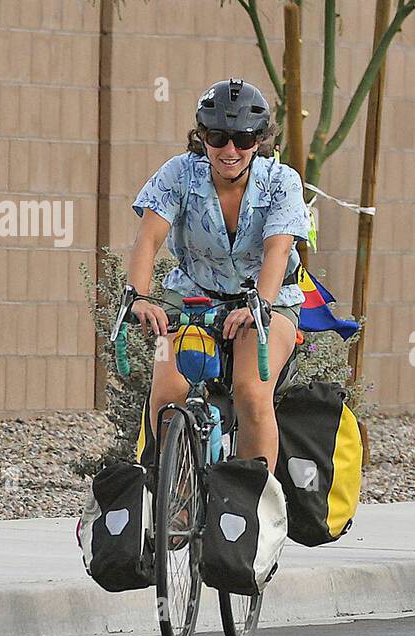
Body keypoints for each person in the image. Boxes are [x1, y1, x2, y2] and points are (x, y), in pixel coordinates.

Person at [127, 79, 309, 469]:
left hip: (267, 301)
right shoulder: (178, 174)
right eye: (218, 137)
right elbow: (147, 240)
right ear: (202, 137)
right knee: (167, 391)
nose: (230, 150)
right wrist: (139, 296)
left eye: (243, 140)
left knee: (251, 391)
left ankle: (252, 504)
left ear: (260, 141)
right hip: (192, 296)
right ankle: (175, 496)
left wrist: (259, 303)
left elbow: (279, 249)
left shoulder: (282, 182)